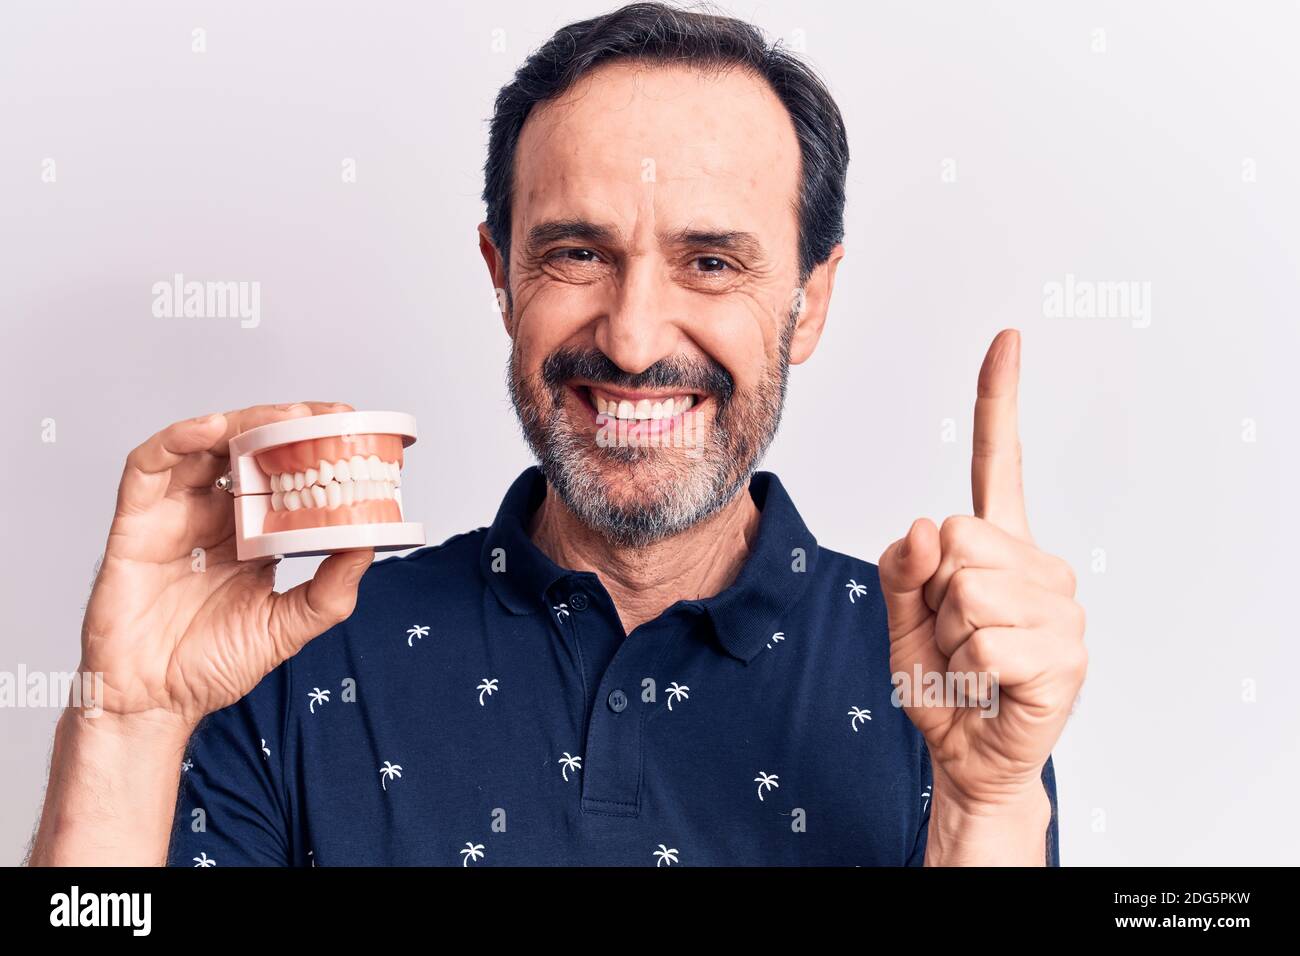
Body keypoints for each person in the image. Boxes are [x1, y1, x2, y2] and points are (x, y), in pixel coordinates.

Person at [28, 2, 1085, 867]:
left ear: (808, 301)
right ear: (500, 275)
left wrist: (986, 804)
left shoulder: (943, 675)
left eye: (710, 261)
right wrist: (126, 721)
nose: (630, 341)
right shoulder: (295, 655)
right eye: (576, 253)